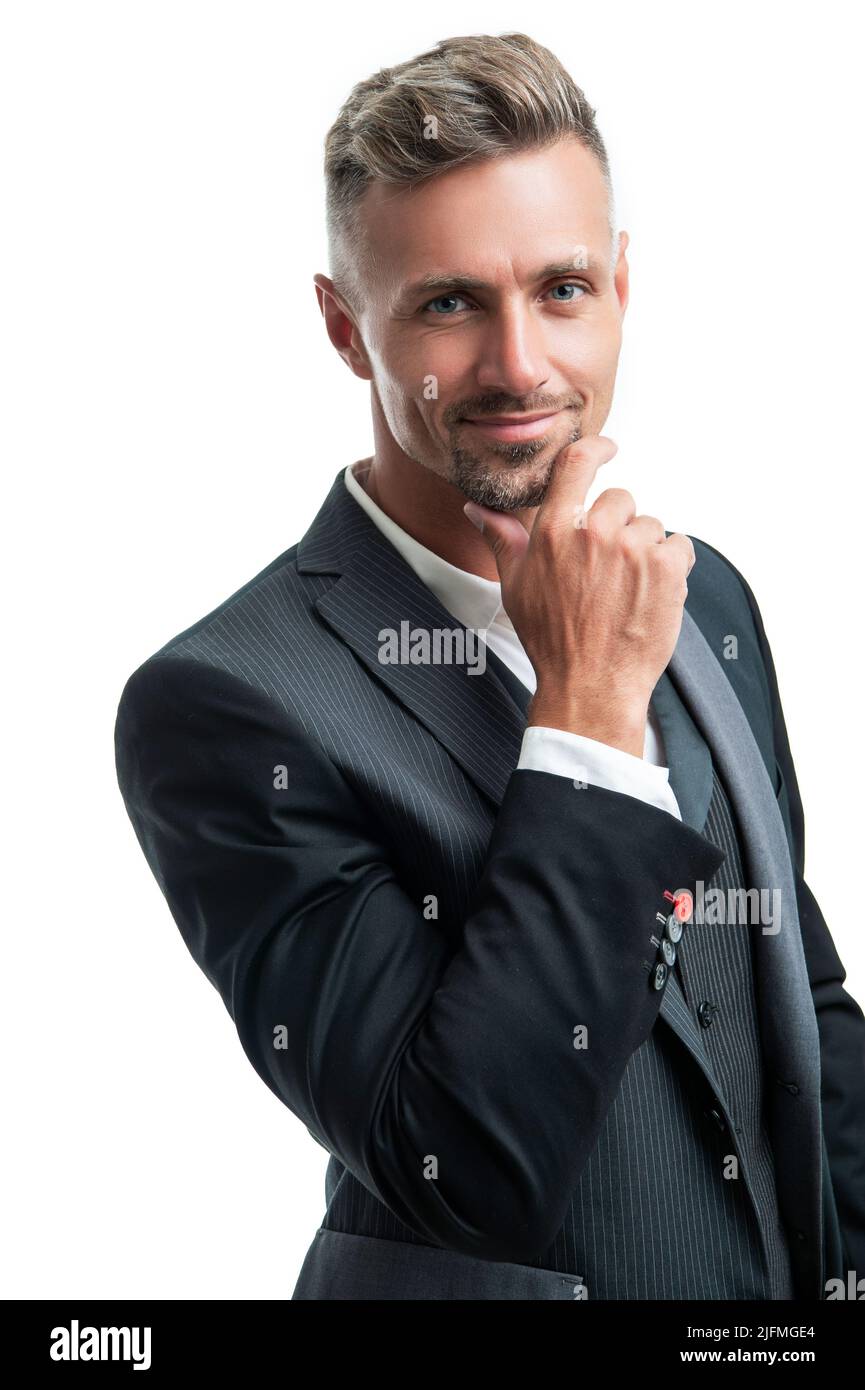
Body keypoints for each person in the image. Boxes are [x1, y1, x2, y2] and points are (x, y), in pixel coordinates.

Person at [114, 31, 865, 1300]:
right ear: (347, 327)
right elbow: (461, 1162)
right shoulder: (226, 703)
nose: (520, 366)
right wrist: (585, 711)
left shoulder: (702, 592)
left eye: (561, 289)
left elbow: (802, 1005)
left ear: (622, 286)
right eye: (451, 303)